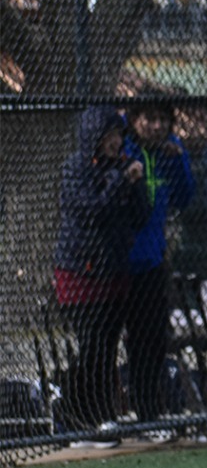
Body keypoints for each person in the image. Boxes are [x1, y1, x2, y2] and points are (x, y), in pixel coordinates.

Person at [52, 107, 150, 447]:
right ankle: (76, 413)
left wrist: (135, 185)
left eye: (118, 135)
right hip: (81, 271)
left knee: (108, 346)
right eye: (109, 136)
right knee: (91, 344)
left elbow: (140, 216)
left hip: (114, 269)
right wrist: (121, 182)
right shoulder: (76, 168)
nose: (115, 142)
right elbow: (90, 212)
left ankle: (98, 414)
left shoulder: (122, 166)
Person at [120, 104, 196, 436]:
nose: (155, 126)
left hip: (152, 260)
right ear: (134, 121)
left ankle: (150, 410)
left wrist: (178, 158)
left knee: (151, 338)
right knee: (115, 339)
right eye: (148, 119)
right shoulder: (122, 150)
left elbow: (183, 197)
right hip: (119, 262)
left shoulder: (166, 153)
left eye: (162, 120)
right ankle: (116, 409)